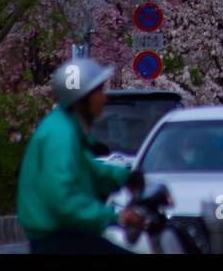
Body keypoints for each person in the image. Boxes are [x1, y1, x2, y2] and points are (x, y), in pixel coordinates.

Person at [16, 57, 144, 253]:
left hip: (62, 235)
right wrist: (115, 216)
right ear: (82, 99)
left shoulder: (65, 127)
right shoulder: (62, 135)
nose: (105, 98)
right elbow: (63, 198)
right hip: (59, 239)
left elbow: (88, 169)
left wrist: (125, 177)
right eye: (99, 91)